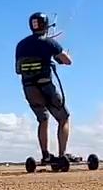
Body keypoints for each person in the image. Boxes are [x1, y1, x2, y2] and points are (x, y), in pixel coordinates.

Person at [15, 11, 73, 166]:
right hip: (46, 86)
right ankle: (62, 156)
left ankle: (46, 156)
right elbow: (67, 61)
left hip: (29, 89)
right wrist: (59, 54)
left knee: (43, 119)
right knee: (63, 118)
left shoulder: (20, 45)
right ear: (46, 25)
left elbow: (18, 70)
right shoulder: (49, 43)